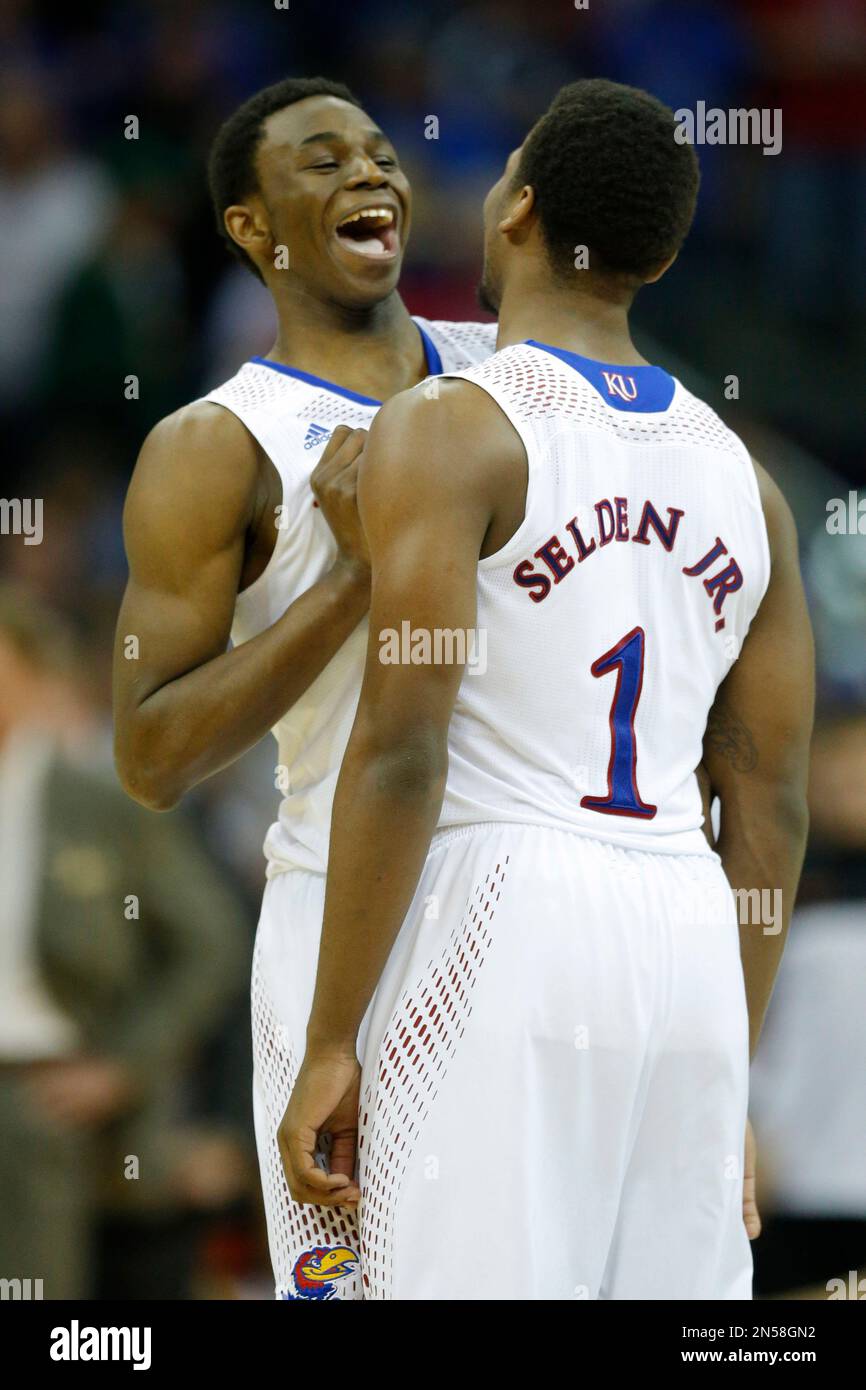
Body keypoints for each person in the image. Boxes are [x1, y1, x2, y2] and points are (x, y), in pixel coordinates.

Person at [279, 78, 815, 1300]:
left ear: (514, 209)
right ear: (665, 255)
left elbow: (403, 749)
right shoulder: (749, 478)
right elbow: (769, 810)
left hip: (506, 906)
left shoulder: (450, 424)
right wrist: (720, 1061)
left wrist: (326, 1036)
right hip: (685, 926)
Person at [112, 75, 496, 1301]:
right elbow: (151, 756)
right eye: (323, 161)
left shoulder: (515, 374)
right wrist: (348, 584)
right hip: (346, 912)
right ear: (248, 227)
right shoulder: (214, 445)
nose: (371, 176)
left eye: (381, 155)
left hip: (538, 880)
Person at [0, 587, 244, 1299]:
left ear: (33, 675)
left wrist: (124, 1064)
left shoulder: (98, 806)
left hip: (46, 1096)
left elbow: (212, 943)